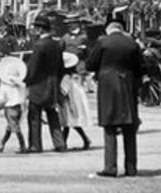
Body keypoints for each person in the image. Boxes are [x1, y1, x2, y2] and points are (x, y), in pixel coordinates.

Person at [85, 16, 143, 178]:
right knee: (129, 128)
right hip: (128, 86)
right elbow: (141, 67)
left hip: (108, 87)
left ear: (109, 28)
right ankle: (131, 167)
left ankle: (110, 167)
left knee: (110, 128)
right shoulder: (132, 43)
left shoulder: (103, 42)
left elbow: (90, 64)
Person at [24, 14, 65, 153]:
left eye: (36, 27)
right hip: (52, 84)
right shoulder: (56, 45)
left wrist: (26, 80)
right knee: (52, 114)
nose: (35, 30)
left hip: (38, 85)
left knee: (34, 116)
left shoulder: (39, 45)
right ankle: (60, 143)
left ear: (40, 29)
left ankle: (35, 145)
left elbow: (33, 67)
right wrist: (57, 82)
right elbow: (61, 68)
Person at [0, 57, 28, 154]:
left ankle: (23, 146)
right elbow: (25, 94)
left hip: (9, 108)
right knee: (10, 126)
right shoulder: (21, 85)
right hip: (19, 107)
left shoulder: (5, 85)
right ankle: (2, 143)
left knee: (15, 127)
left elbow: (2, 99)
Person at [59, 52, 92, 150]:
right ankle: (83, 139)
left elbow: (64, 91)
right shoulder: (75, 76)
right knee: (70, 123)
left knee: (68, 123)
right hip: (75, 101)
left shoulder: (65, 77)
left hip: (69, 102)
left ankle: (64, 143)